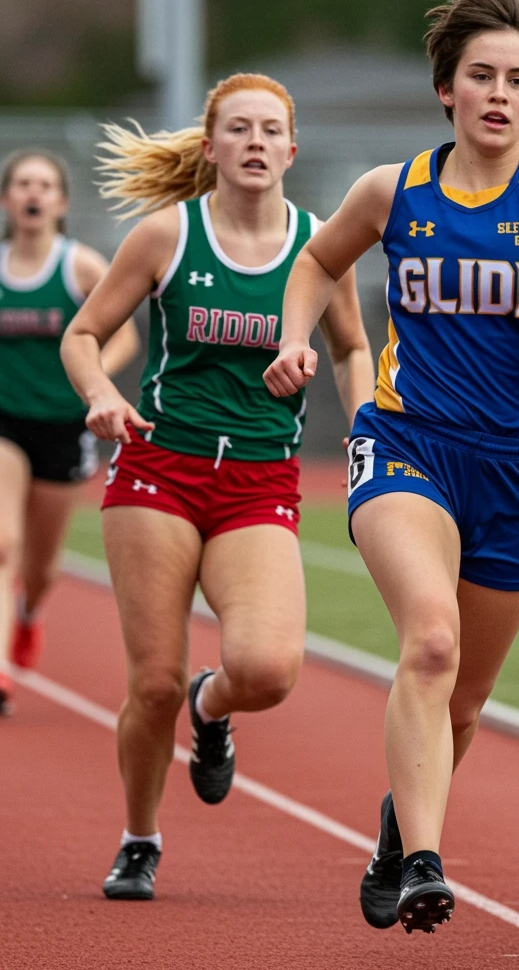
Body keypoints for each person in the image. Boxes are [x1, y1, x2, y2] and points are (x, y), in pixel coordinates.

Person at [264, 0, 519, 935]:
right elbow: (317, 262)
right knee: (430, 641)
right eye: (480, 75)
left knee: (467, 699)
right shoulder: (392, 189)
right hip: (409, 444)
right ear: (446, 88)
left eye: (518, 80)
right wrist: (294, 337)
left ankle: (401, 830)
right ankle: (431, 865)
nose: (498, 93)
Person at [61, 73, 374, 900]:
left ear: (292, 150)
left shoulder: (319, 246)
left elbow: (351, 348)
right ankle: (139, 837)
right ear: (212, 147)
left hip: (258, 481)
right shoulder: (166, 236)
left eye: (272, 131)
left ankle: (213, 709)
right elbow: (85, 333)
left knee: (267, 668)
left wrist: (365, 418)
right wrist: (100, 393)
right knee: (151, 681)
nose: (257, 144)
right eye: (239, 130)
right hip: (160, 469)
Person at [0, 150, 139, 716]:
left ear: (61, 201)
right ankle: (2, 672)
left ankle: (29, 613)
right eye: (23, 184)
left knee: (41, 566)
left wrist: (95, 384)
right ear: (8, 199)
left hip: (62, 424)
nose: (33, 194)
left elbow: (124, 333)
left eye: (45, 185)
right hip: (4, 421)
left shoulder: (78, 265)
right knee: (2, 542)